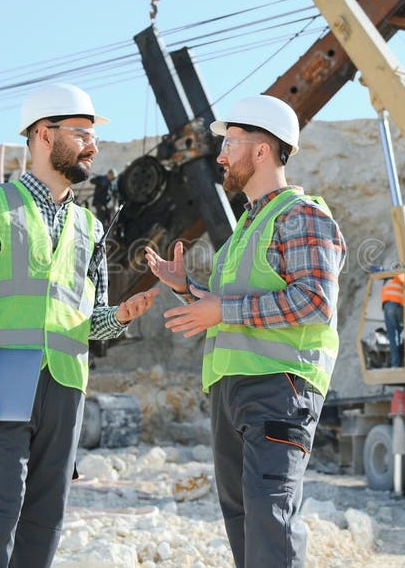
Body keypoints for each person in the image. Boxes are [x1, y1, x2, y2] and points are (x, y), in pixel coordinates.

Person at [0, 82, 158, 567]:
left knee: (45, 522)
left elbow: (89, 321)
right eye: (81, 132)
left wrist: (119, 316)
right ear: (44, 134)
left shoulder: (90, 226)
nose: (93, 145)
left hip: (65, 389)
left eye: (93, 135)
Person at [144, 95, 346, 567]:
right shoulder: (242, 232)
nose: (219, 155)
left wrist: (223, 309)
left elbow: (314, 302)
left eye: (229, 143)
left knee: (268, 517)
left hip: (280, 385)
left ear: (261, 150)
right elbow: (227, 308)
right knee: (242, 519)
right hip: (231, 389)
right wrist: (188, 289)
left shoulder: (303, 216)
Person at [381, 272, 405, 367]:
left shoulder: (388, 283)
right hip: (399, 307)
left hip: (389, 307)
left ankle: (395, 365)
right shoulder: (401, 279)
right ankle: (403, 360)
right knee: (400, 334)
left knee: (392, 336)